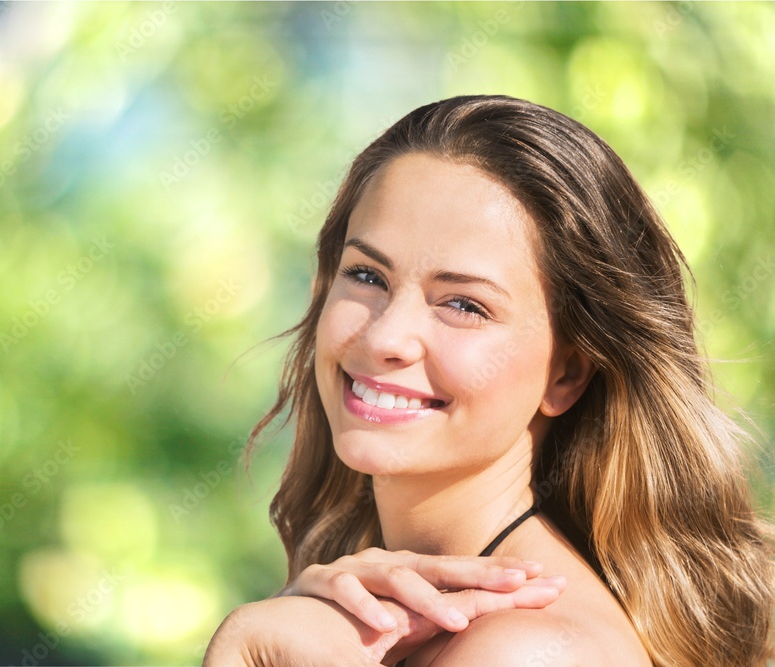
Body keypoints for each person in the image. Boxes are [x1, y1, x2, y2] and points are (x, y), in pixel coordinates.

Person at [204, 95, 775, 666]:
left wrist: (243, 648)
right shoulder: (371, 612)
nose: (385, 339)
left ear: (566, 374)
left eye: (463, 305)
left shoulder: (523, 650)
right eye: (366, 275)